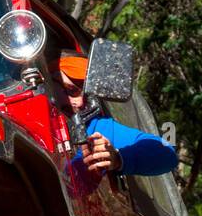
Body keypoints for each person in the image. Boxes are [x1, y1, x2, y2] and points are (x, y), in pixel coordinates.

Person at [56, 50, 178, 180]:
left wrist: (117, 158)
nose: (80, 103)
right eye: (71, 90)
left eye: (87, 96)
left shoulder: (96, 128)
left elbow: (167, 153)